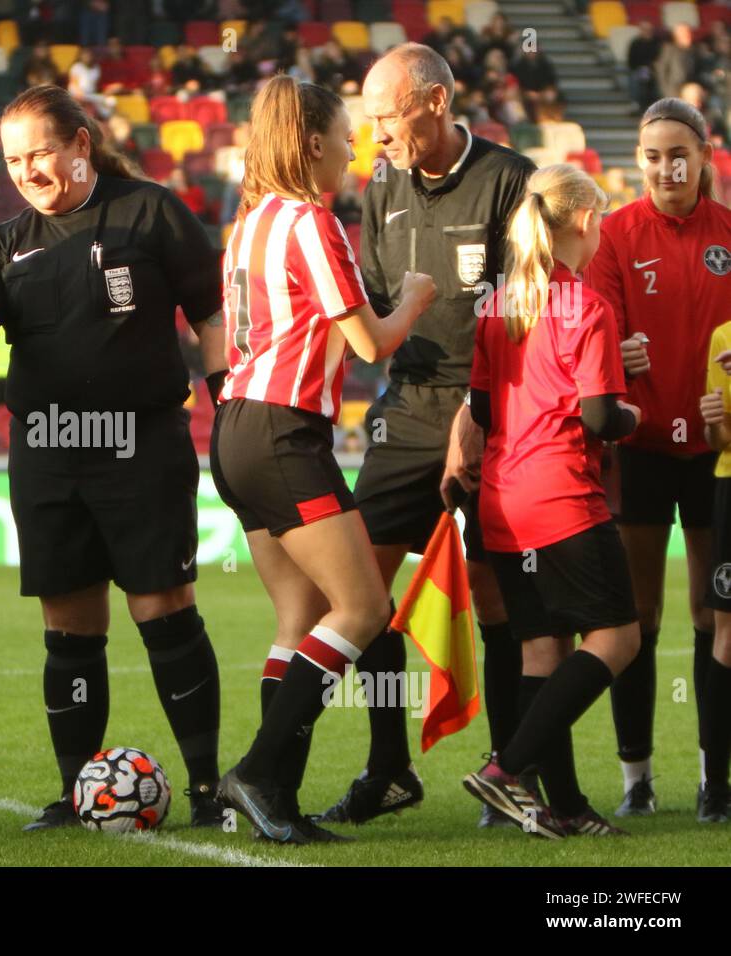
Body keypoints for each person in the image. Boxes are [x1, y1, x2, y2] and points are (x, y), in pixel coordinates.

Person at [0, 84, 229, 830]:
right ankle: (73, 795)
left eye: (39, 152)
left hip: (143, 444)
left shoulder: (150, 209)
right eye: (12, 159)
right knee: (70, 627)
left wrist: (229, 400)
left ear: (80, 145)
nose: (26, 170)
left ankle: (205, 788)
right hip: (49, 452)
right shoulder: (3, 242)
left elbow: (211, 311)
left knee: (164, 610)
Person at [209, 77, 435, 844]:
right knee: (367, 609)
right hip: (282, 434)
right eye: (345, 135)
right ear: (312, 143)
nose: (355, 147)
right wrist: (414, 297)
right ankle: (260, 774)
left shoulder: (248, 224)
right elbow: (371, 341)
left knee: (299, 617)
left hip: (235, 428)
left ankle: (276, 796)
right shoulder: (311, 221)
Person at [319, 43, 536, 828]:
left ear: (436, 103)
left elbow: (526, 315)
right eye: (369, 119)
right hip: (409, 407)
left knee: (495, 595)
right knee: (363, 592)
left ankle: (510, 772)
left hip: (498, 409)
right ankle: (388, 767)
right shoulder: (382, 183)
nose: (375, 134)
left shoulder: (513, 179)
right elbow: (375, 305)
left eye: (386, 115)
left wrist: (476, 413)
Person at [464, 164, 642, 837]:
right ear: (586, 221)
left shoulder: (500, 303)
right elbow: (600, 419)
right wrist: (634, 414)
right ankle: (505, 769)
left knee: (543, 652)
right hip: (563, 497)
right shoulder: (590, 307)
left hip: (503, 499)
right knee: (618, 637)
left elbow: (482, 406)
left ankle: (563, 808)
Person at [583, 97, 731, 818]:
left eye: (679, 152)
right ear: (637, 161)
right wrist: (617, 351)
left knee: (714, 613)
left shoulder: (730, 232)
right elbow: (588, 334)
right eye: (652, 155)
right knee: (639, 615)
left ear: (705, 155)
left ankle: (714, 781)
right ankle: (636, 779)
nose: (666, 166)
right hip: (638, 449)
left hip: (715, 450)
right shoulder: (613, 235)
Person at [696, 319, 731, 824]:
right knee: (727, 637)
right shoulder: (723, 335)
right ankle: (716, 790)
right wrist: (712, 422)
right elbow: (720, 437)